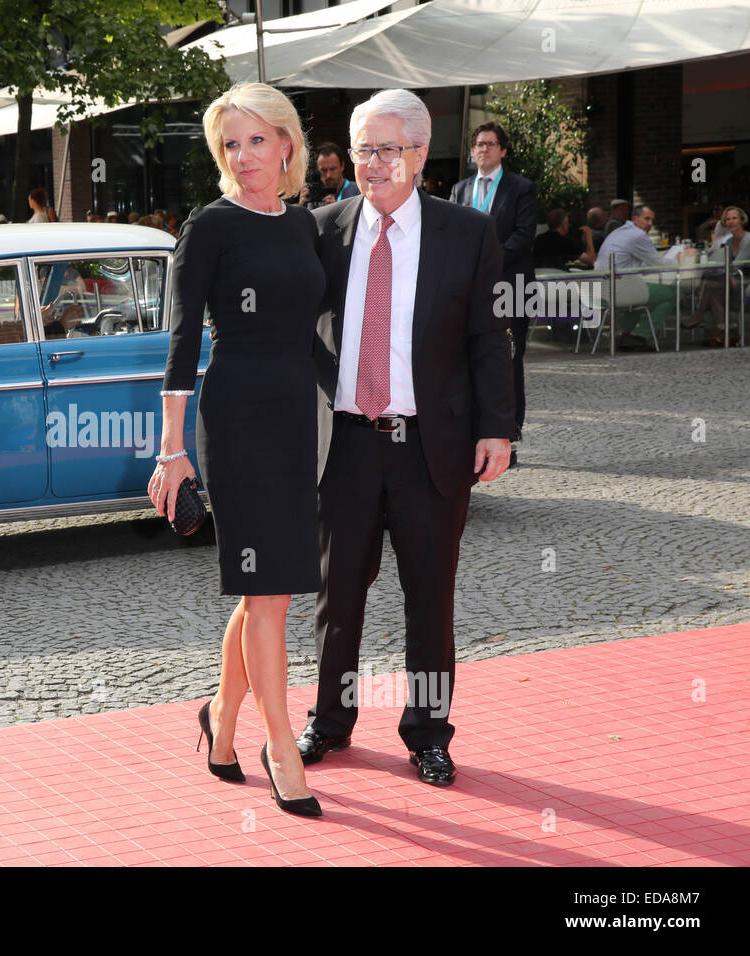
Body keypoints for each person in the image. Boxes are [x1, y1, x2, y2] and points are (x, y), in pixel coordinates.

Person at [300, 88, 514, 788]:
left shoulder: (465, 232)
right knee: (339, 595)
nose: (374, 162)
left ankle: (427, 733)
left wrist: (497, 430)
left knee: (430, 595)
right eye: (364, 148)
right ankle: (330, 722)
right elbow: (293, 337)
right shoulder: (322, 229)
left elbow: (490, 339)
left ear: (421, 155)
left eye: (389, 148)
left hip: (432, 446)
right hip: (349, 443)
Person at [152, 81, 326, 818]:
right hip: (238, 418)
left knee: (269, 588)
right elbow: (184, 337)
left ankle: (220, 720)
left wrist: (360, 398)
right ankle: (280, 743)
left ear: (287, 145)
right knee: (271, 594)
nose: (245, 155)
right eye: (231, 143)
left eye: (258, 139)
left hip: (297, 416)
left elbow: (306, 334)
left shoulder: (305, 225)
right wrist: (172, 450)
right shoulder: (210, 226)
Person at [449, 121, 536, 457]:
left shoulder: (521, 188)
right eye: (479, 144)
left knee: (509, 362)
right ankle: (476, 433)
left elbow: (523, 236)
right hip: (472, 290)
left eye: (490, 144)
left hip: (512, 288)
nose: (483, 149)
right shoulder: (460, 190)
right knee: (474, 358)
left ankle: (509, 436)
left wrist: (487, 264)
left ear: (503, 150)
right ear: (472, 151)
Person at [596, 204, 677, 349]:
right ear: (634, 218)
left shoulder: (619, 232)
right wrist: (679, 259)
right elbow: (658, 263)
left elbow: (640, 263)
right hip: (620, 289)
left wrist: (658, 258)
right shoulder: (638, 235)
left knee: (641, 294)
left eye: (652, 220)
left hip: (604, 289)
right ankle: (639, 335)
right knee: (673, 293)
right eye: (647, 219)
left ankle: (624, 333)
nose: (650, 224)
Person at [688, 205, 749, 346]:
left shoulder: (748, 240)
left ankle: (700, 316)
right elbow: (721, 263)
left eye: (734, 218)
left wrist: (724, 273)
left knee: (713, 284)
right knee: (713, 284)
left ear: (742, 220)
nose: (731, 222)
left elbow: (737, 265)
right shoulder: (727, 241)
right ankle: (723, 331)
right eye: (728, 219)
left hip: (743, 279)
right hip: (729, 278)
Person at [312, 141, 360, 206]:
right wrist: (302, 206)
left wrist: (336, 209)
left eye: (333, 169)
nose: (328, 175)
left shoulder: (358, 191)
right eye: (324, 170)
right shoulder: (313, 194)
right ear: (317, 169)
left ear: (342, 166)